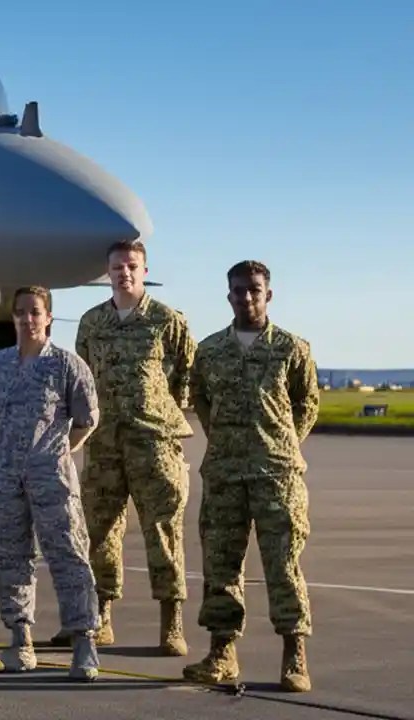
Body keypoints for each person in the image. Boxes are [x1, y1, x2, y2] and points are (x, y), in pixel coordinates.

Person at [54, 240, 196, 655]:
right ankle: (100, 619)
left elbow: (188, 374)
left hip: (154, 443)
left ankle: (171, 623)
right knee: (99, 533)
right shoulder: (92, 322)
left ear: (145, 269)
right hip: (104, 446)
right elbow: (80, 380)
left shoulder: (167, 321)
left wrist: (163, 413)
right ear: (108, 273)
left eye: (132, 266)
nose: (124, 274)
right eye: (117, 267)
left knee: (164, 533)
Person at [184, 261, 318, 693]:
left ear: (268, 295)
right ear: (228, 296)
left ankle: (294, 654)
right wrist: (225, 439)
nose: (246, 297)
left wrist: (279, 443)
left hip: (277, 475)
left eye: (254, 290)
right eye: (238, 290)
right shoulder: (209, 351)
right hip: (224, 473)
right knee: (221, 565)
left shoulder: (292, 349)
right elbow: (200, 398)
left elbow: (306, 404)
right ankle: (222, 653)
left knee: (283, 566)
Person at [0, 286, 101, 681]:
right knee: (11, 559)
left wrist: (57, 450)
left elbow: (86, 420)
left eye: (35, 312)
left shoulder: (67, 365)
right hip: (4, 477)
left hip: (51, 478)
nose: (28, 319)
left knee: (69, 556)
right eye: (21, 313)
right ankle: (20, 640)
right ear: (13, 318)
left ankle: (83, 641)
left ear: (48, 317)